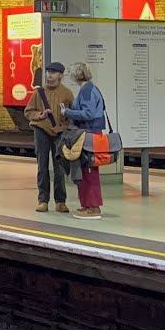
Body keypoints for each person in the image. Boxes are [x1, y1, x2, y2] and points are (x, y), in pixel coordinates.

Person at [24, 62, 75, 212]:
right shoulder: (38, 93)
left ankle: (60, 201)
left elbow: (72, 116)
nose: (49, 75)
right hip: (41, 131)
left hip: (59, 133)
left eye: (53, 72)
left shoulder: (67, 93)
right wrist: (40, 115)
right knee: (42, 165)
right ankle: (43, 200)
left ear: (60, 76)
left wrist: (64, 127)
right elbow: (28, 111)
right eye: (48, 72)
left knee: (59, 167)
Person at [60, 61, 106, 220]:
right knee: (87, 171)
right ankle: (88, 205)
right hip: (90, 134)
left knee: (88, 171)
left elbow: (88, 114)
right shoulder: (90, 88)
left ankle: (93, 208)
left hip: (89, 135)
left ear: (77, 74)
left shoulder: (86, 91)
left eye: (71, 72)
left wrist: (68, 112)